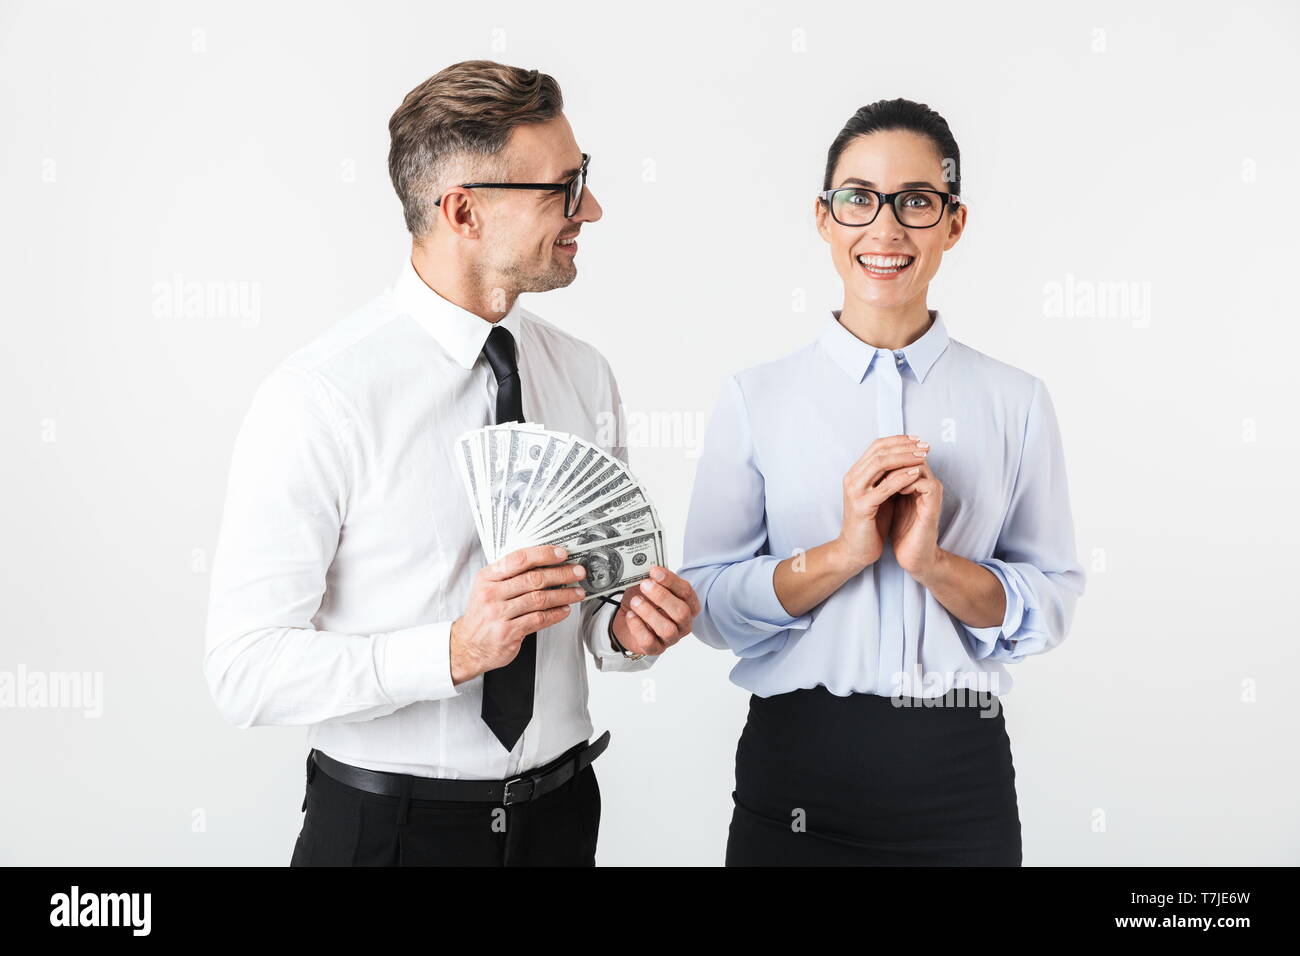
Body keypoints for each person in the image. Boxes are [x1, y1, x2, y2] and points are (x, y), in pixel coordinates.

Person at [204, 60, 699, 867]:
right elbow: (244, 670)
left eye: (586, 181)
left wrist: (630, 629)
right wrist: (455, 651)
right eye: (563, 190)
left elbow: (600, 619)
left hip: (563, 820)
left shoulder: (583, 373)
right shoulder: (319, 397)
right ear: (463, 210)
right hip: (392, 835)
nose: (593, 211)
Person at [680, 98, 1085, 866]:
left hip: (958, 780)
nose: (886, 228)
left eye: (917, 202)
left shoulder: (1016, 400)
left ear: (953, 222)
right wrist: (840, 554)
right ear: (825, 217)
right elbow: (709, 606)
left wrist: (933, 565)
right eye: (859, 198)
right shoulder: (754, 397)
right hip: (796, 770)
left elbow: (1051, 599)